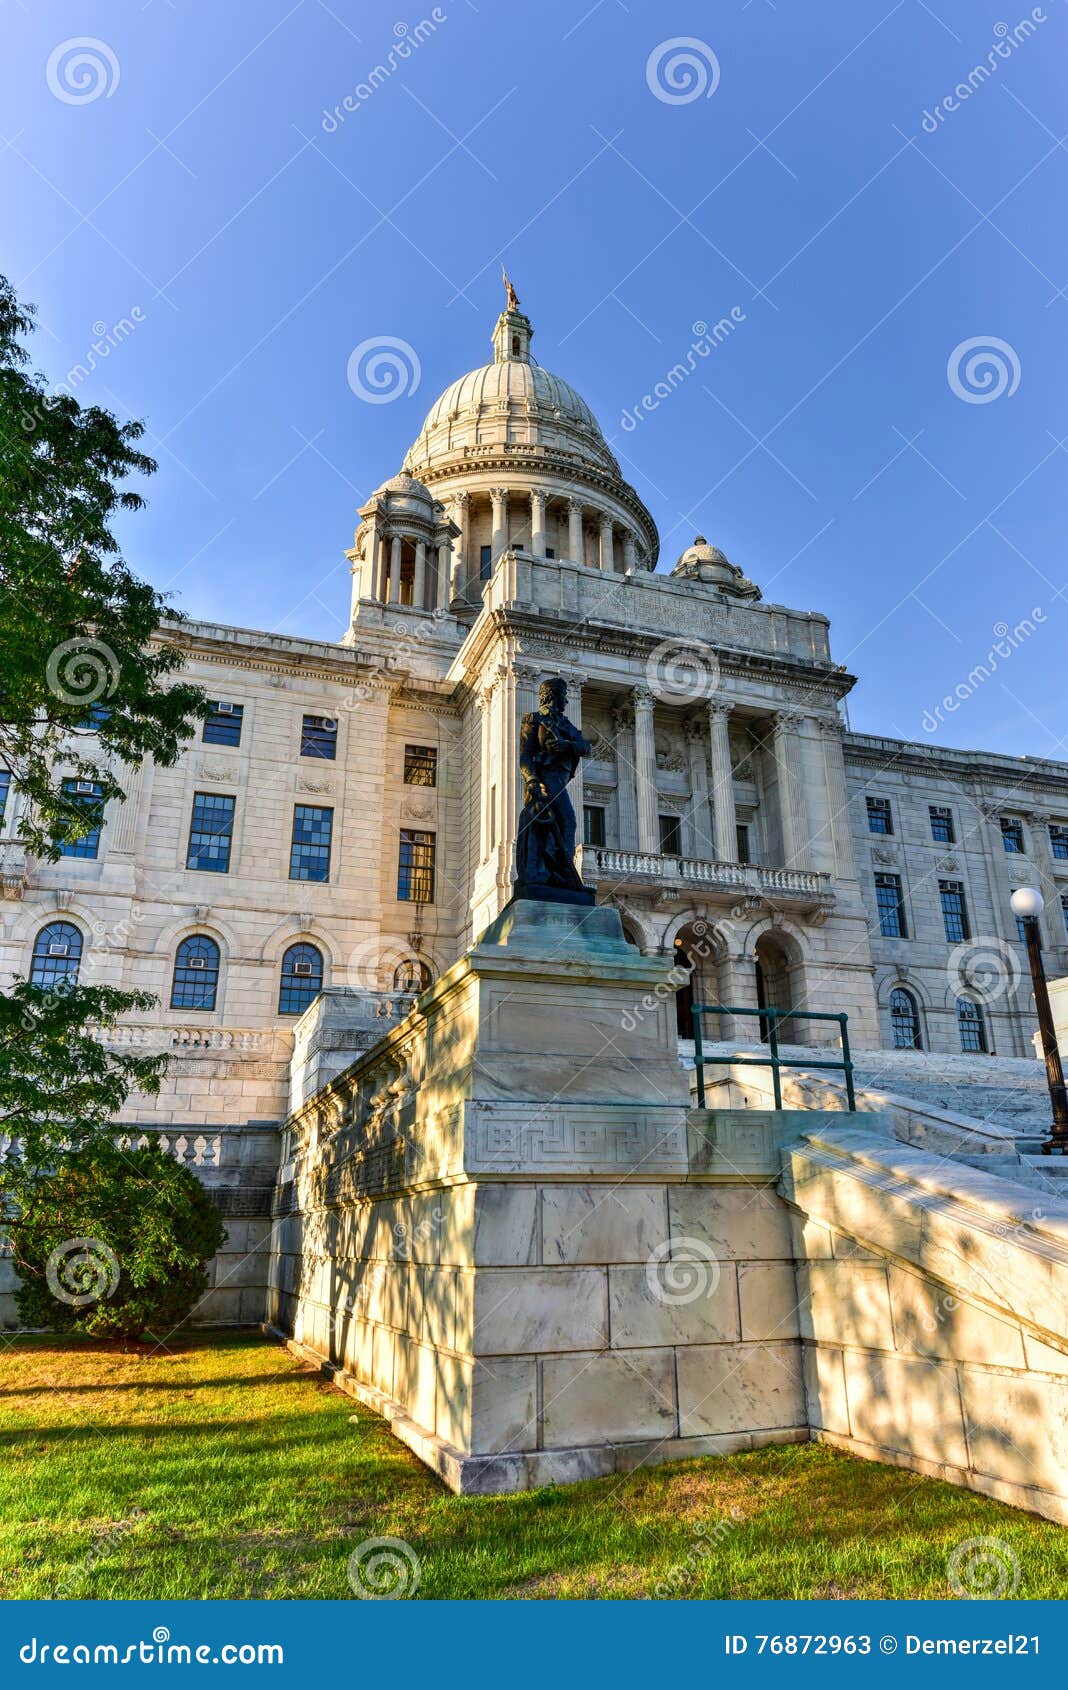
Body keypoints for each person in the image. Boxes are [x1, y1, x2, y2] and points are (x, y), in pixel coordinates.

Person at [514, 676, 593, 903]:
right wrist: (531, 780)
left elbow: (585, 747)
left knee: (563, 823)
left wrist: (567, 745)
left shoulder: (565, 724)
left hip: (559, 778)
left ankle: (561, 874)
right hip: (545, 778)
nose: (566, 701)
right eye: (563, 696)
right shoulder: (534, 720)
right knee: (566, 821)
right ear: (551, 695)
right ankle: (558, 873)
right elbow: (525, 756)